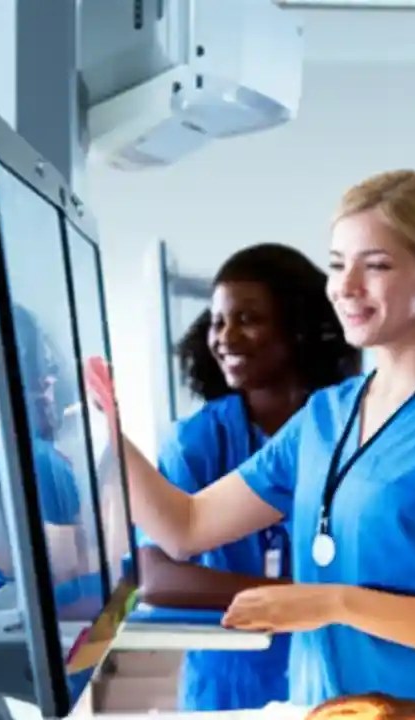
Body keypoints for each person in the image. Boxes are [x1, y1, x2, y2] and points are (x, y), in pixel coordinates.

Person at [85, 169, 415, 711]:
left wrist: (334, 603)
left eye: (375, 266)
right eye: (337, 264)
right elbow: (186, 526)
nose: (346, 286)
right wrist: (106, 425)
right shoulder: (327, 415)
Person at [135, 243, 361, 712]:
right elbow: (155, 574)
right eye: (218, 321)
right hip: (229, 683)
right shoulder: (198, 442)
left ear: (297, 330)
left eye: (247, 319)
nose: (225, 337)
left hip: (336, 671)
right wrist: (304, 600)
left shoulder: (350, 428)